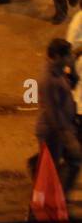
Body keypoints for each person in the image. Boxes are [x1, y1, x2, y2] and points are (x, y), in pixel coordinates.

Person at [34, 38, 81, 194]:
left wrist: (72, 70)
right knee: (49, 173)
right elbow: (54, 115)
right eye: (67, 56)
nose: (70, 58)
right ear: (57, 57)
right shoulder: (49, 79)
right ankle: (42, 207)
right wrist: (70, 140)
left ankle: (56, 197)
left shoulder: (58, 71)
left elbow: (71, 85)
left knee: (64, 164)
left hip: (59, 131)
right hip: (51, 133)